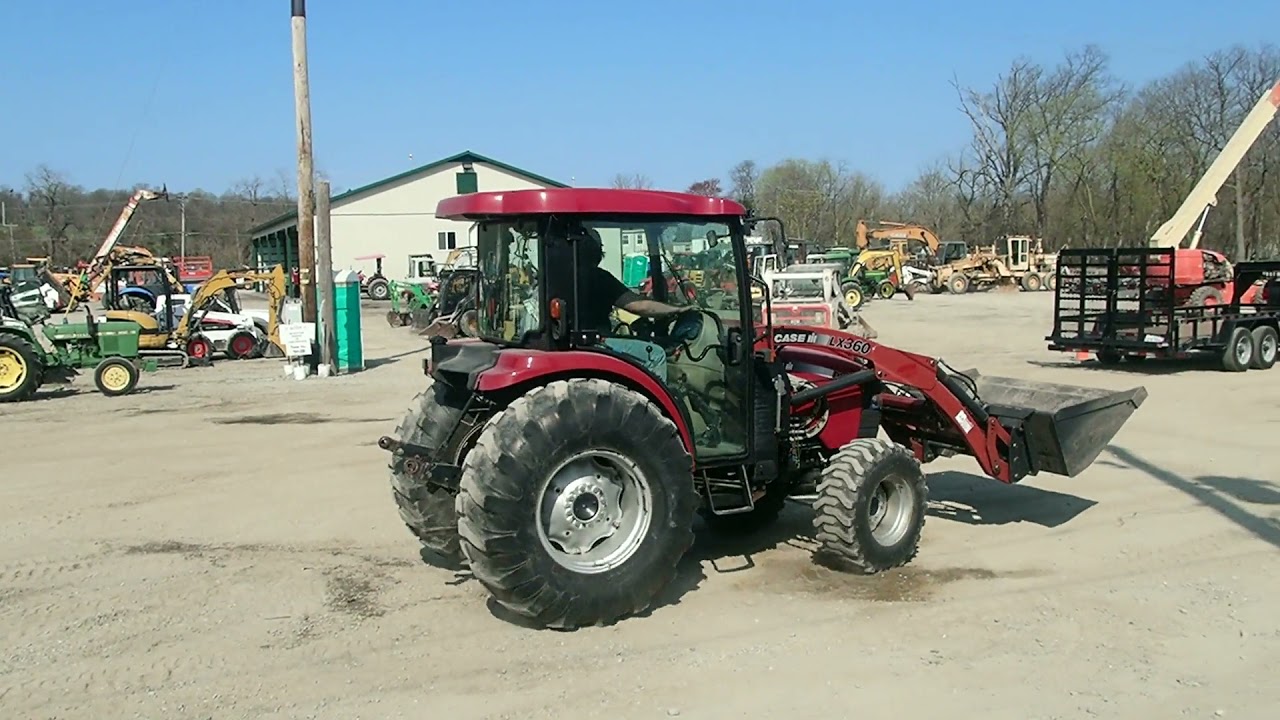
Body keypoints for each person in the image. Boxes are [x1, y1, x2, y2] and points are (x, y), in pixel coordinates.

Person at [566, 225, 696, 333]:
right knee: (657, 354)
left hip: (580, 340)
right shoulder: (597, 277)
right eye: (600, 247)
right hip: (596, 343)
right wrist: (677, 309)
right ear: (593, 250)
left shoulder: (564, 275)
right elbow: (640, 306)